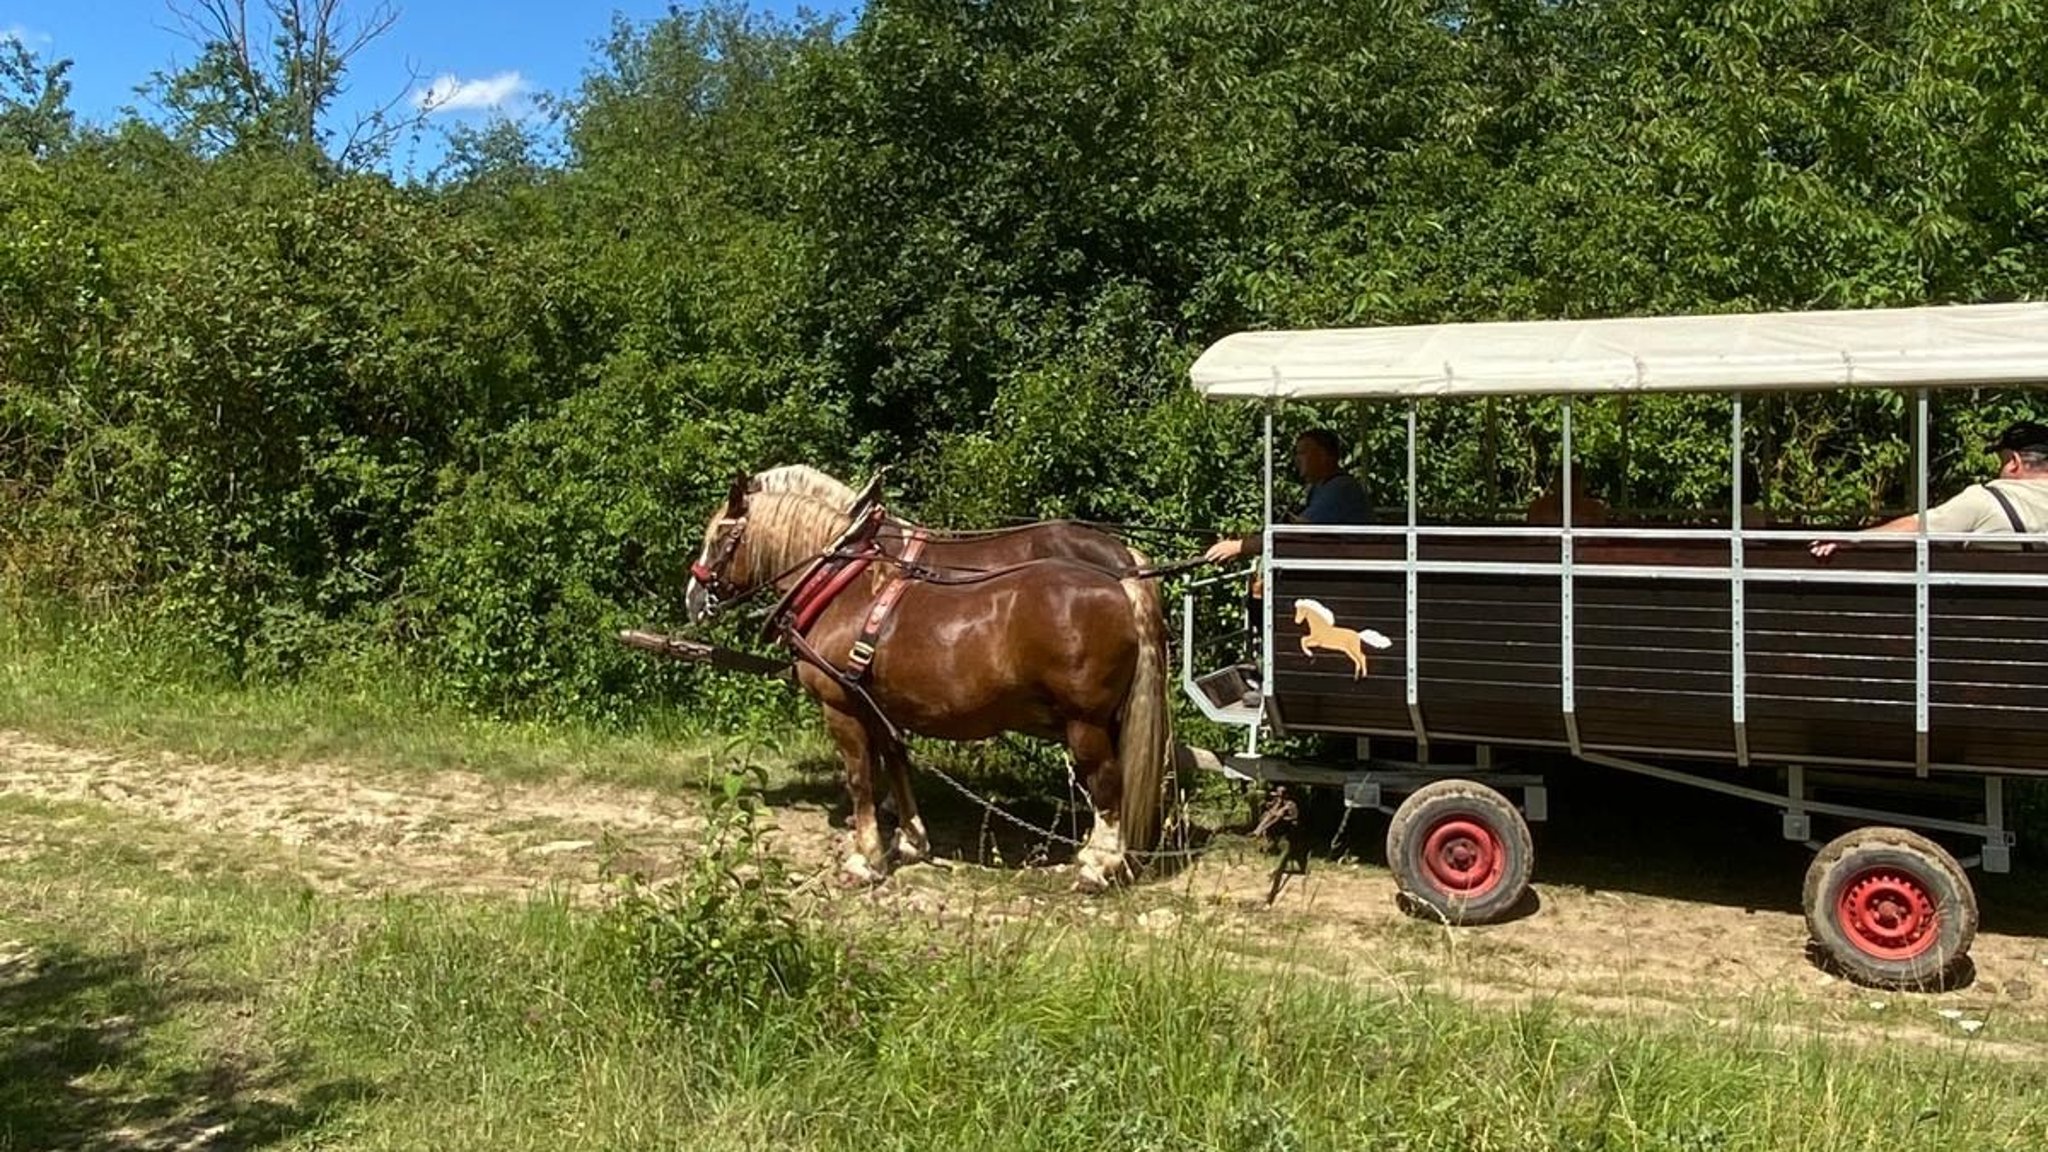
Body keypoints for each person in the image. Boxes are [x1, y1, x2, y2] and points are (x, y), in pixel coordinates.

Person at [1810, 420, 2048, 557]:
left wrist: (1852, 540)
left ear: (2014, 462)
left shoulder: (1984, 500)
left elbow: (1916, 527)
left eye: (2002, 461)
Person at [1203, 428, 1373, 564]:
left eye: (1302, 453)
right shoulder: (1320, 487)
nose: (1296, 459)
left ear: (1324, 455)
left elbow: (1298, 532)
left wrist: (1240, 546)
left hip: (1346, 572)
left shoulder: (1340, 488)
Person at [1525, 466, 1609, 527]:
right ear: (1554, 484)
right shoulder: (1538, 508)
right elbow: (1533, 543)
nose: (1569, 485)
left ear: (1583, 485)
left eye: (1575, 480)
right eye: (1562, 480)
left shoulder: (1595, 510)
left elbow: (1599, 543)